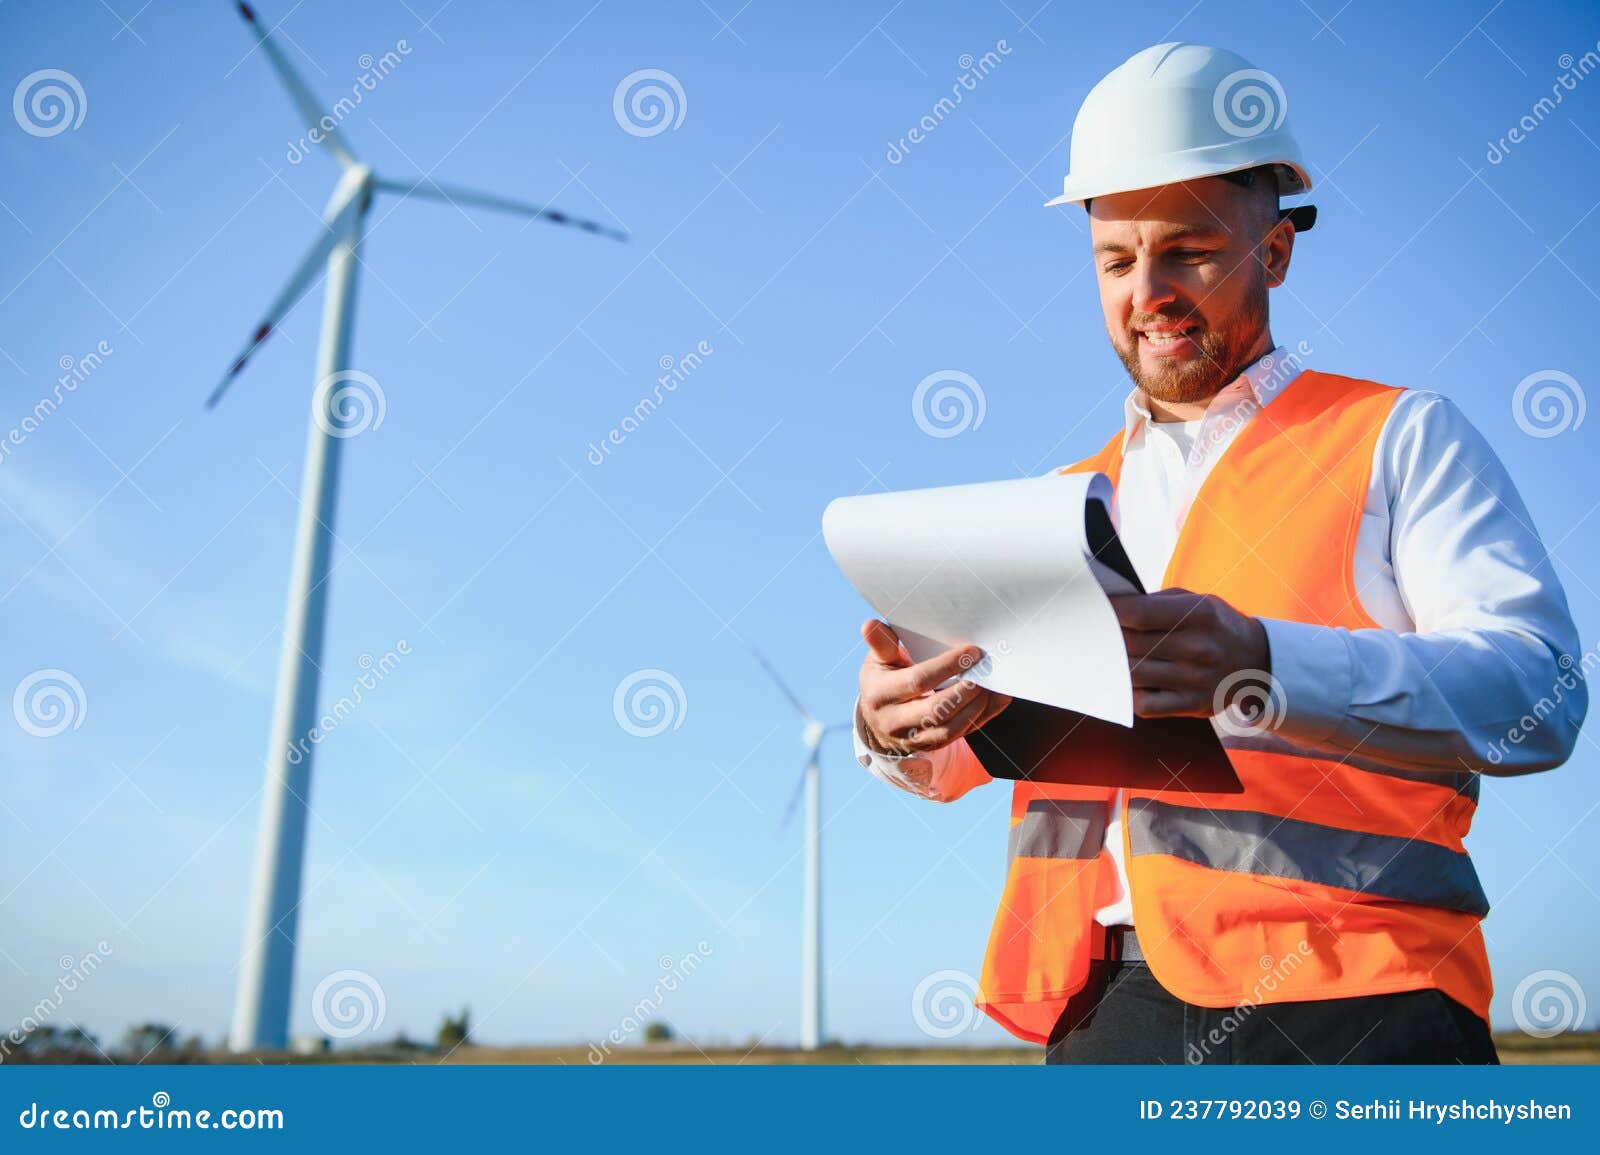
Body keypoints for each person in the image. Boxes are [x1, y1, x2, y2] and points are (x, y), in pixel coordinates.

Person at [852, 42, 1586, 1064]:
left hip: (1357, 1003)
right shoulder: (1060, 505)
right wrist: (894, 732)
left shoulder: (1397, 438)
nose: (1146, 289)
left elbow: (1536, 698)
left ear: (1274, 253)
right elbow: (964, 753)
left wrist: (1262, 664)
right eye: (1115, 260)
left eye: (1187, 250)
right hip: (1103, 1013)